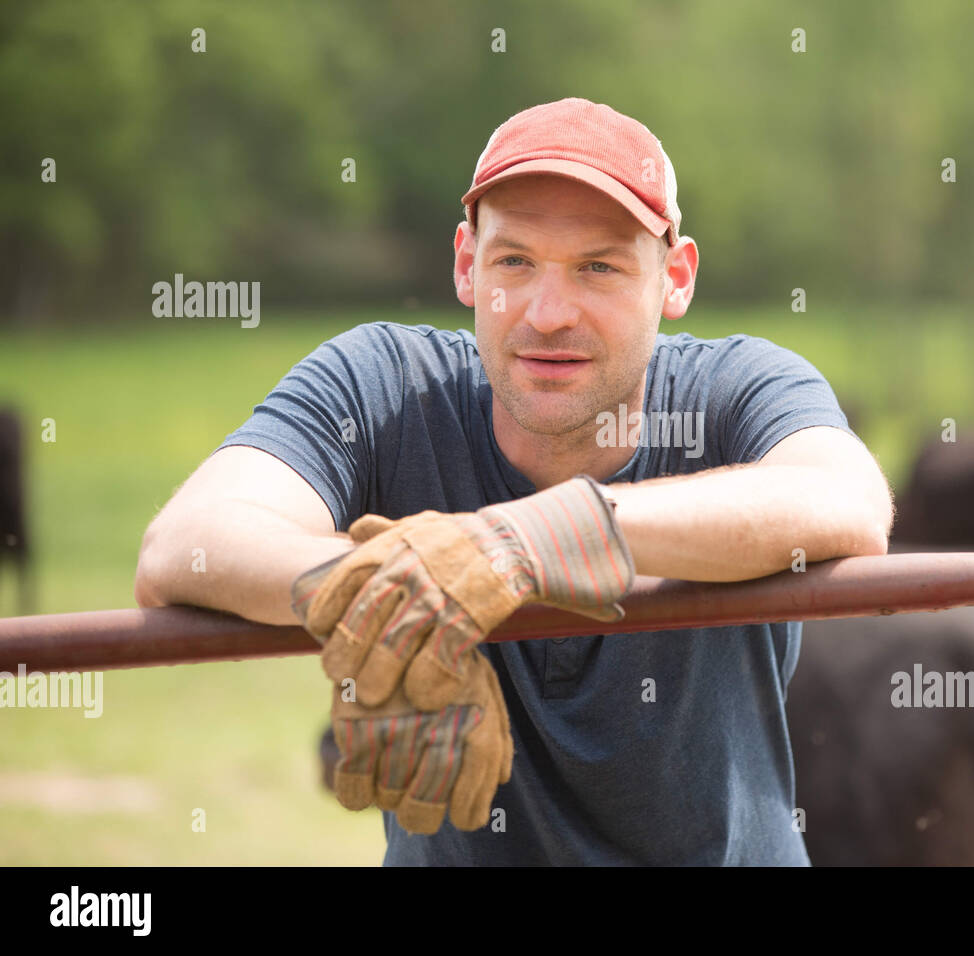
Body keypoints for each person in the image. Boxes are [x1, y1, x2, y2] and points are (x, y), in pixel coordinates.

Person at [134, 97, 894, 865]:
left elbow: (848, 501)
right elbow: (185, 542)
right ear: (467, 263)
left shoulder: (738, 386)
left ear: (676, 278)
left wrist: (532, 538)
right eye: (515, 262)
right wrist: (400, 594)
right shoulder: (383, 385)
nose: (549, 312)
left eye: (598, 266)